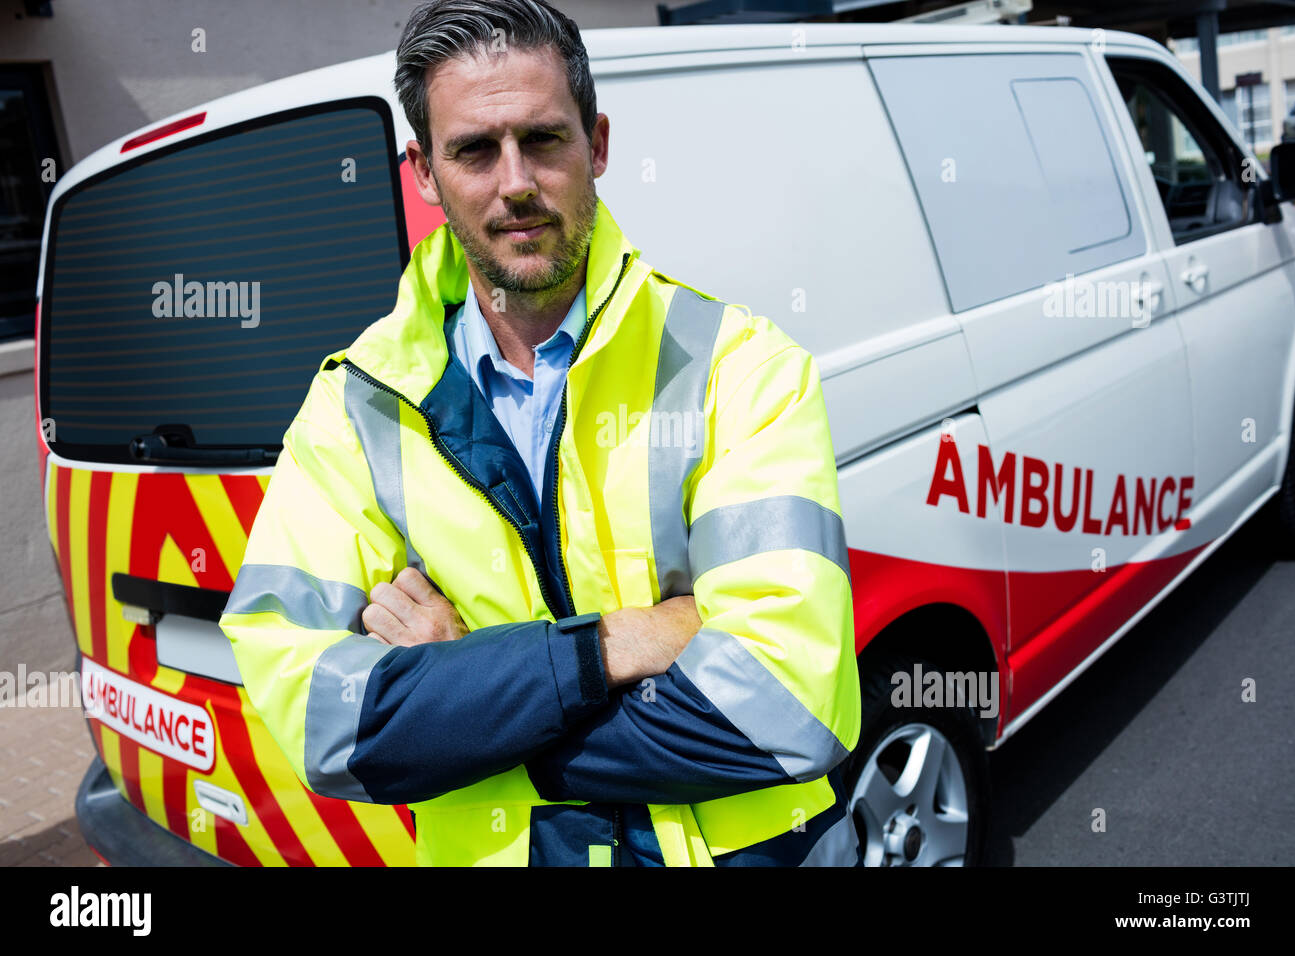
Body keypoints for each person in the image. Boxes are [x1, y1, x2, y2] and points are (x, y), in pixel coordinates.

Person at [219, 0, 861, 866]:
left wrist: (466, 687)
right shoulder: (354, 406)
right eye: (475, 150)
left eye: (543, 139)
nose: (514, 181)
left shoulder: (739, 365)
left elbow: (788, 706)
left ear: (596, 144)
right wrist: (619, 642)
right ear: (424, 172)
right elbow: (320, 727)